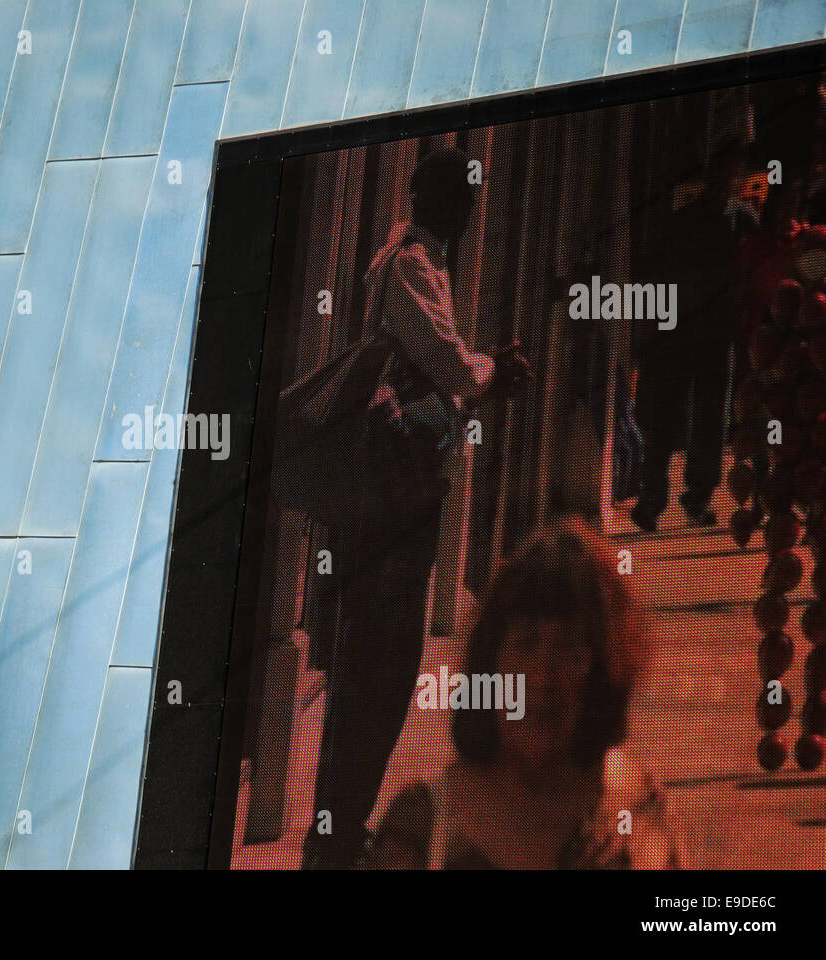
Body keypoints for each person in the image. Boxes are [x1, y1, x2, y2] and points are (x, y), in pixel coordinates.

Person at [301, 147, 532, 869]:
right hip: (391, 497)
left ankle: (338, 827)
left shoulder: (402, 256)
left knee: (370, 664)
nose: (465, 210)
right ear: (435, 198)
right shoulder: (410, 264)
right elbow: (452, 365)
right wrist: (499, 369)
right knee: (381, 663)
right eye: (459, 196)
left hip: (384, 493)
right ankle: (334, 836)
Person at [366, 518, 694, 869]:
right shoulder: (421, 830)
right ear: (489, 665)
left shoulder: (638, 821)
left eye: (569, 649)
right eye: (525, 645)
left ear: (602, 672)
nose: (543, 676)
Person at [630, 135, 753, 532]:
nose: (728, 180)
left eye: (735, 173)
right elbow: (656, 271)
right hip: (679, 332)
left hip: (719, 336)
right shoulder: (683, 221)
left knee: (711, 420)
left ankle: (698, 496)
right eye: (723, 171)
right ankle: (652, 499)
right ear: (710, 174)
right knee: (666, 417)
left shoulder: (744, 220)